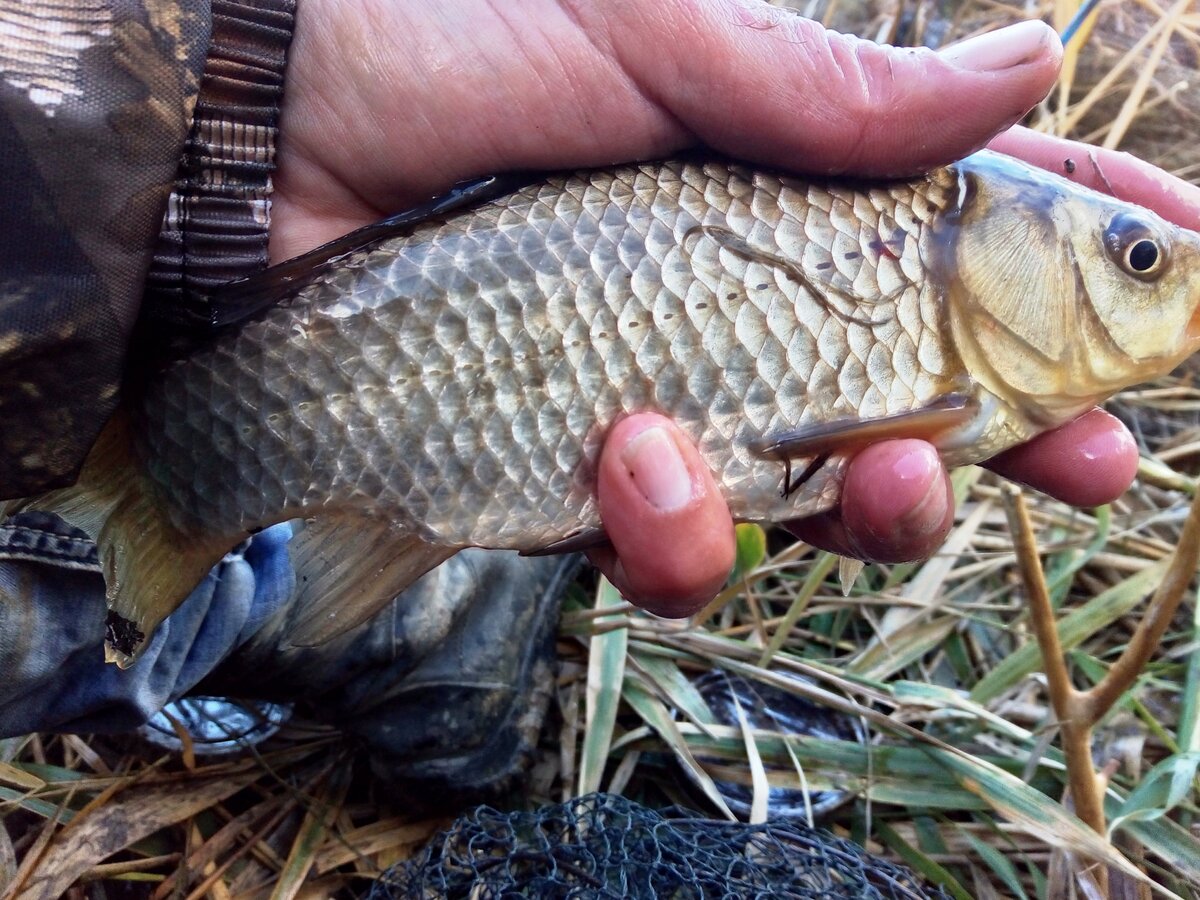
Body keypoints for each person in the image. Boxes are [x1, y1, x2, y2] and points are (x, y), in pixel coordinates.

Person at [1, 0, 1196, 766]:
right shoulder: (938, 357)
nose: (1149, 275)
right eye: (1137, 259)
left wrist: (247, 93)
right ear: (979, 246)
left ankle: (234, 587)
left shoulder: (947, 359)